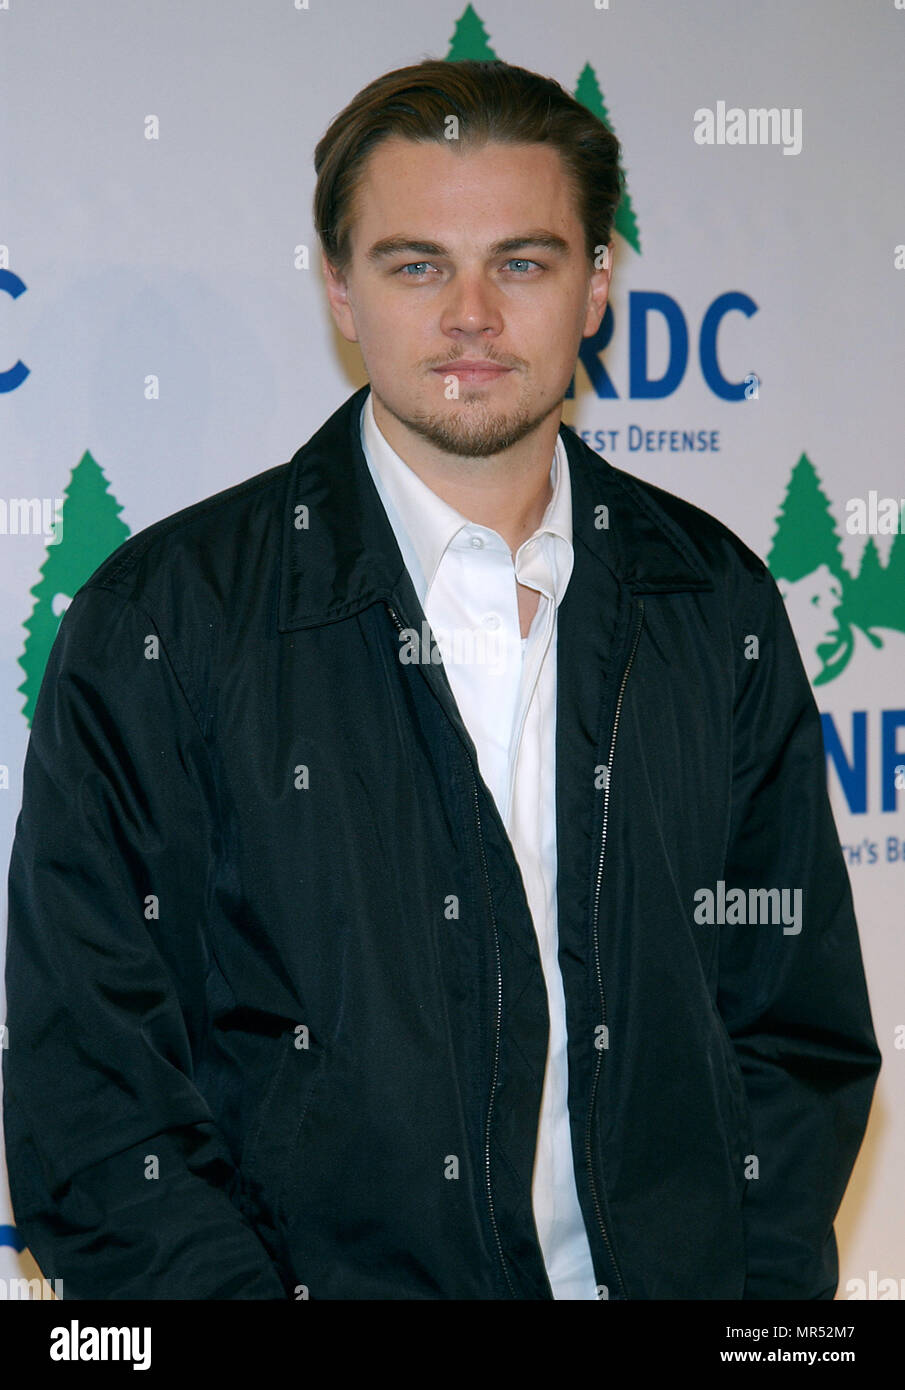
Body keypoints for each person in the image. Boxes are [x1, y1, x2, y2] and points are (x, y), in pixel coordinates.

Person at [2, 58, 881, 1301]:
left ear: (596, 285)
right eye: (416, 264)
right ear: (339, 290)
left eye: (521, 262)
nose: (470, 314)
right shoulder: (169, 622)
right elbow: (88, 1092)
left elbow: (790, 1031)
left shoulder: (711, 599)